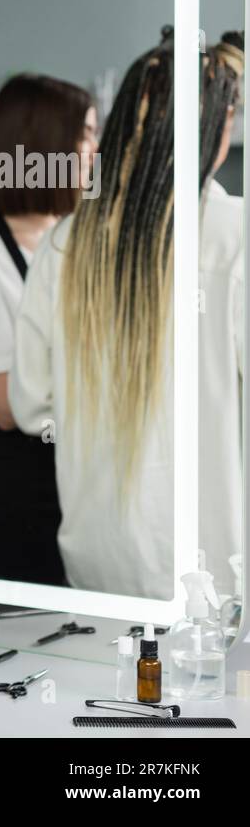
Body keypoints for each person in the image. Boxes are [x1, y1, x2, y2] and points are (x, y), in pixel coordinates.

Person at [10, 27, 180, 599]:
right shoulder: (216, 240)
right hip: (194, 563)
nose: (89, 148)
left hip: (98, 554)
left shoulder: (62, 246)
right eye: (81, 134)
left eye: (94, 133)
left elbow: (31, 404)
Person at [0, 73, 95, 585]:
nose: (96, 149)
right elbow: (7, 405)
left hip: (85, 482)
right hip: (22, 495)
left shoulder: (80, 244)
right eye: (87, 134)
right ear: (50, 145)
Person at [195, 30, 244, 603]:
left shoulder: (73, 239)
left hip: (102, 563)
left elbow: (38, 401)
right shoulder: (234, 234)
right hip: (218, 568)